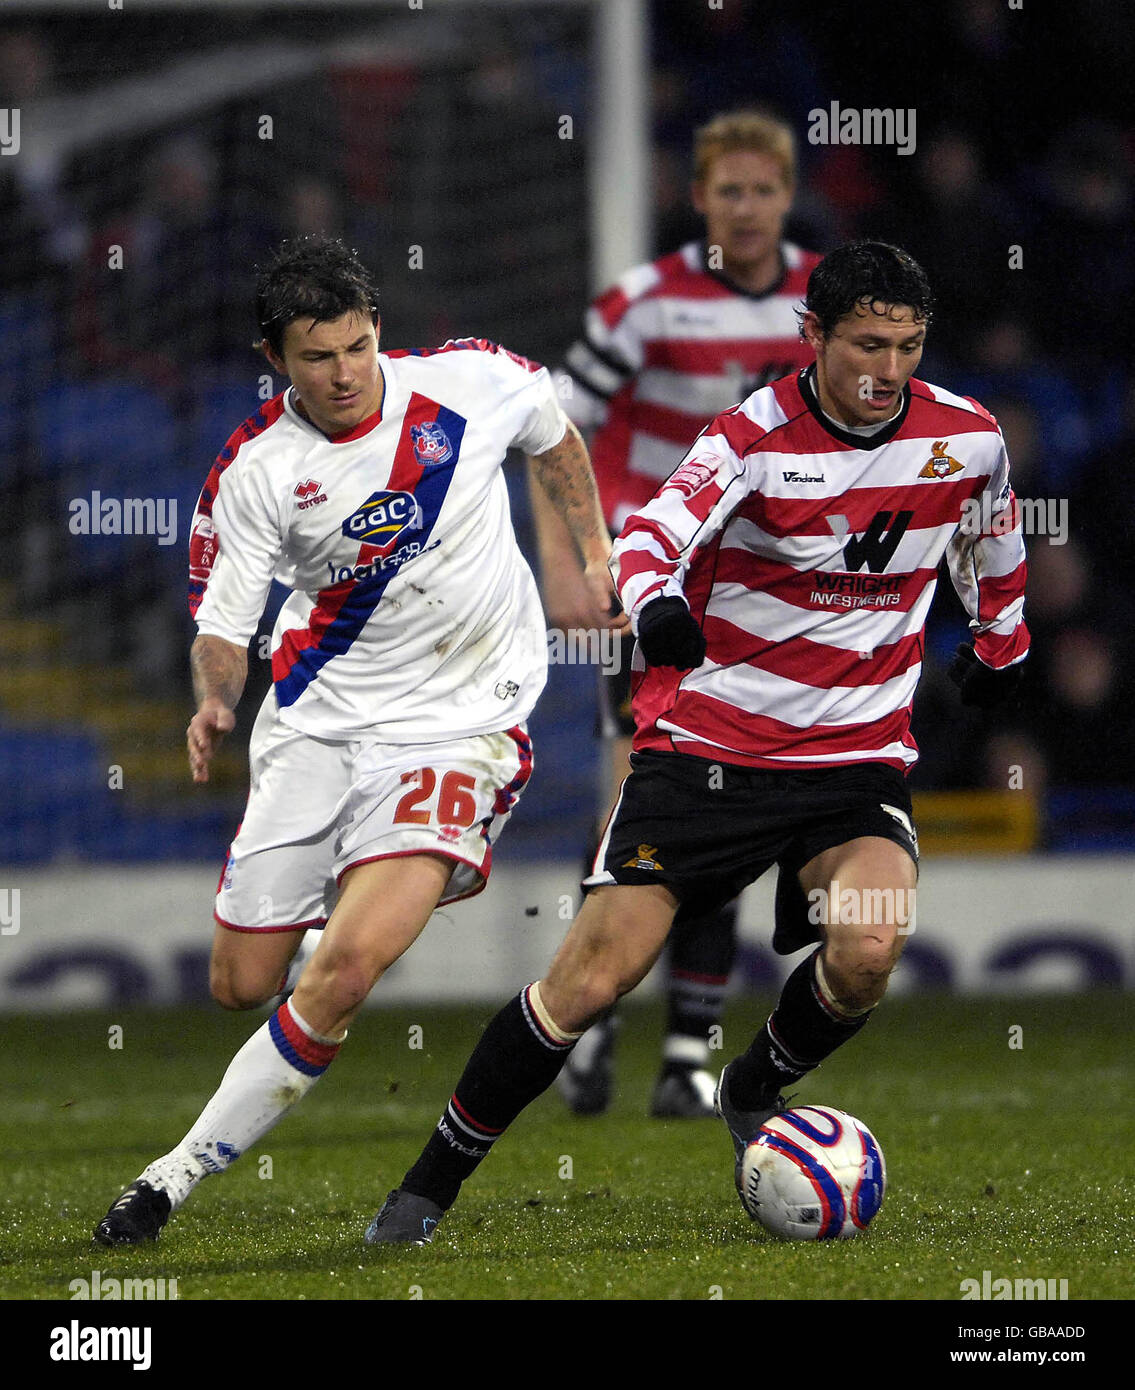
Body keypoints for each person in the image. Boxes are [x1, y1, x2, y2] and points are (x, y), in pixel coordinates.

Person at [367, 240, 1029, 1246]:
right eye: (864, 342)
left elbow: (992, 538)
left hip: (855, 758)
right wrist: (654, 605)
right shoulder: (751, 436)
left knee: (869, 947)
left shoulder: (968, 437)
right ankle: (428, 1182)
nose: (885, 369)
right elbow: (646, 536)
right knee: (588, 981)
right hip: (707, 749)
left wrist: (999, 637)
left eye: (905, 345)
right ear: (812, 334)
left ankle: (750, 1086)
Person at [93, 235, 624, 1246]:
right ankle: (311, 913)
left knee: (341, 971)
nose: (343, 374)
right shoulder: (256, 473)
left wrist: (592, 548)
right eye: (315, 356)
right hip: (319, 722)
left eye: (356, 346)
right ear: (273, 358)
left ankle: (170, 1177)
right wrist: (214, 702)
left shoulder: (470, 383)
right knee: (241, 984)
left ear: (379, 328)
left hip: (464, 728)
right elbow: (222, 626)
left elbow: (553, 435)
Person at [530, 109, 820, 1118]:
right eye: (726, 190)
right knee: (633, 808)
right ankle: (585, 1025)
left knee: (732, 807)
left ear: (786, 196)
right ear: (698, 198)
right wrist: (568, 561)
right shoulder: (643, 303)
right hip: (650, 587)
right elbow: (550, 428)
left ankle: (688, 1056)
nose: (745, 209)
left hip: (758, 600)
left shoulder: (821, 303)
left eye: (762, 190)